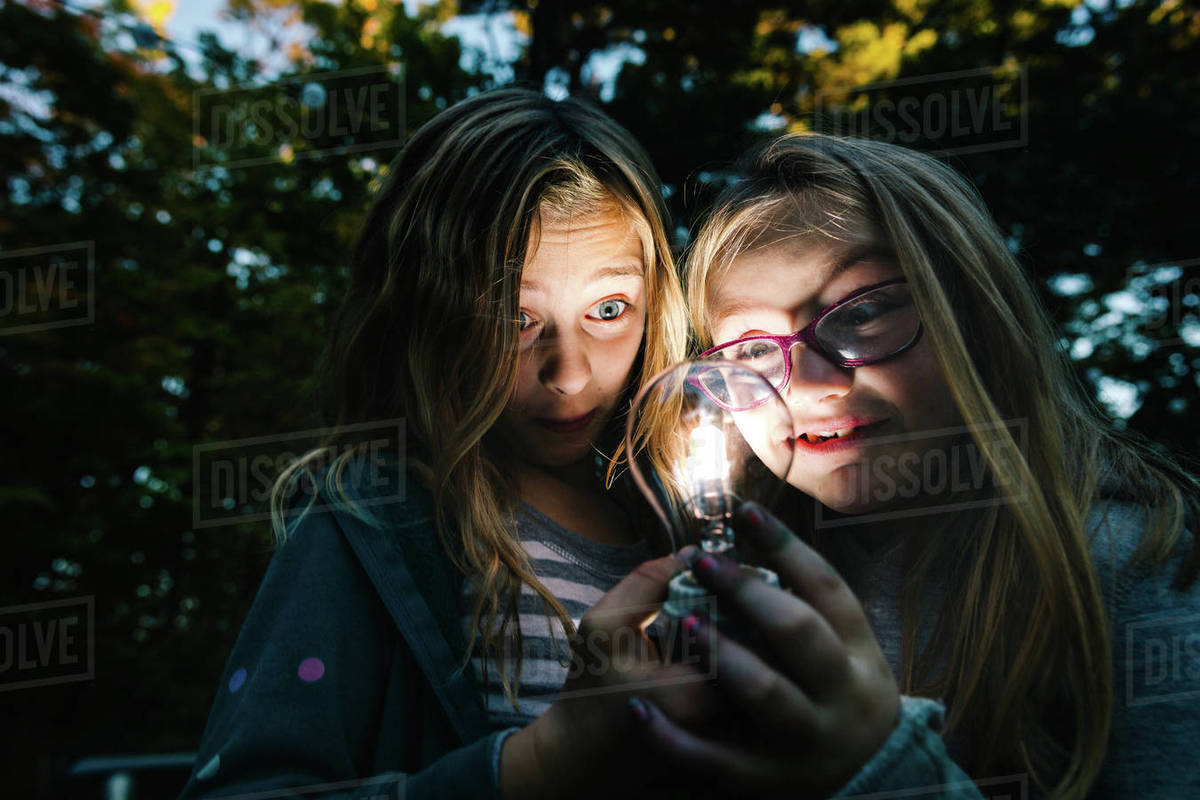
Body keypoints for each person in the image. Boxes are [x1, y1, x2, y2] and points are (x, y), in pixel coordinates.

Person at [623, 133, 1200, 799]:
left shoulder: (1129, 572)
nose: (810, 385)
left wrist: (883, 772)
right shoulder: (743, 592)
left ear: (978, 317)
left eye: (862, 313)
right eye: (752, 351)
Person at [176, 87, 714, 800]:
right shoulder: (370, 525)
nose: (568, 373)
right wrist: (546, 761)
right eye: (512, 317)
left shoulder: (683, 525)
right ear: (426, 318)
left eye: (609, 310)